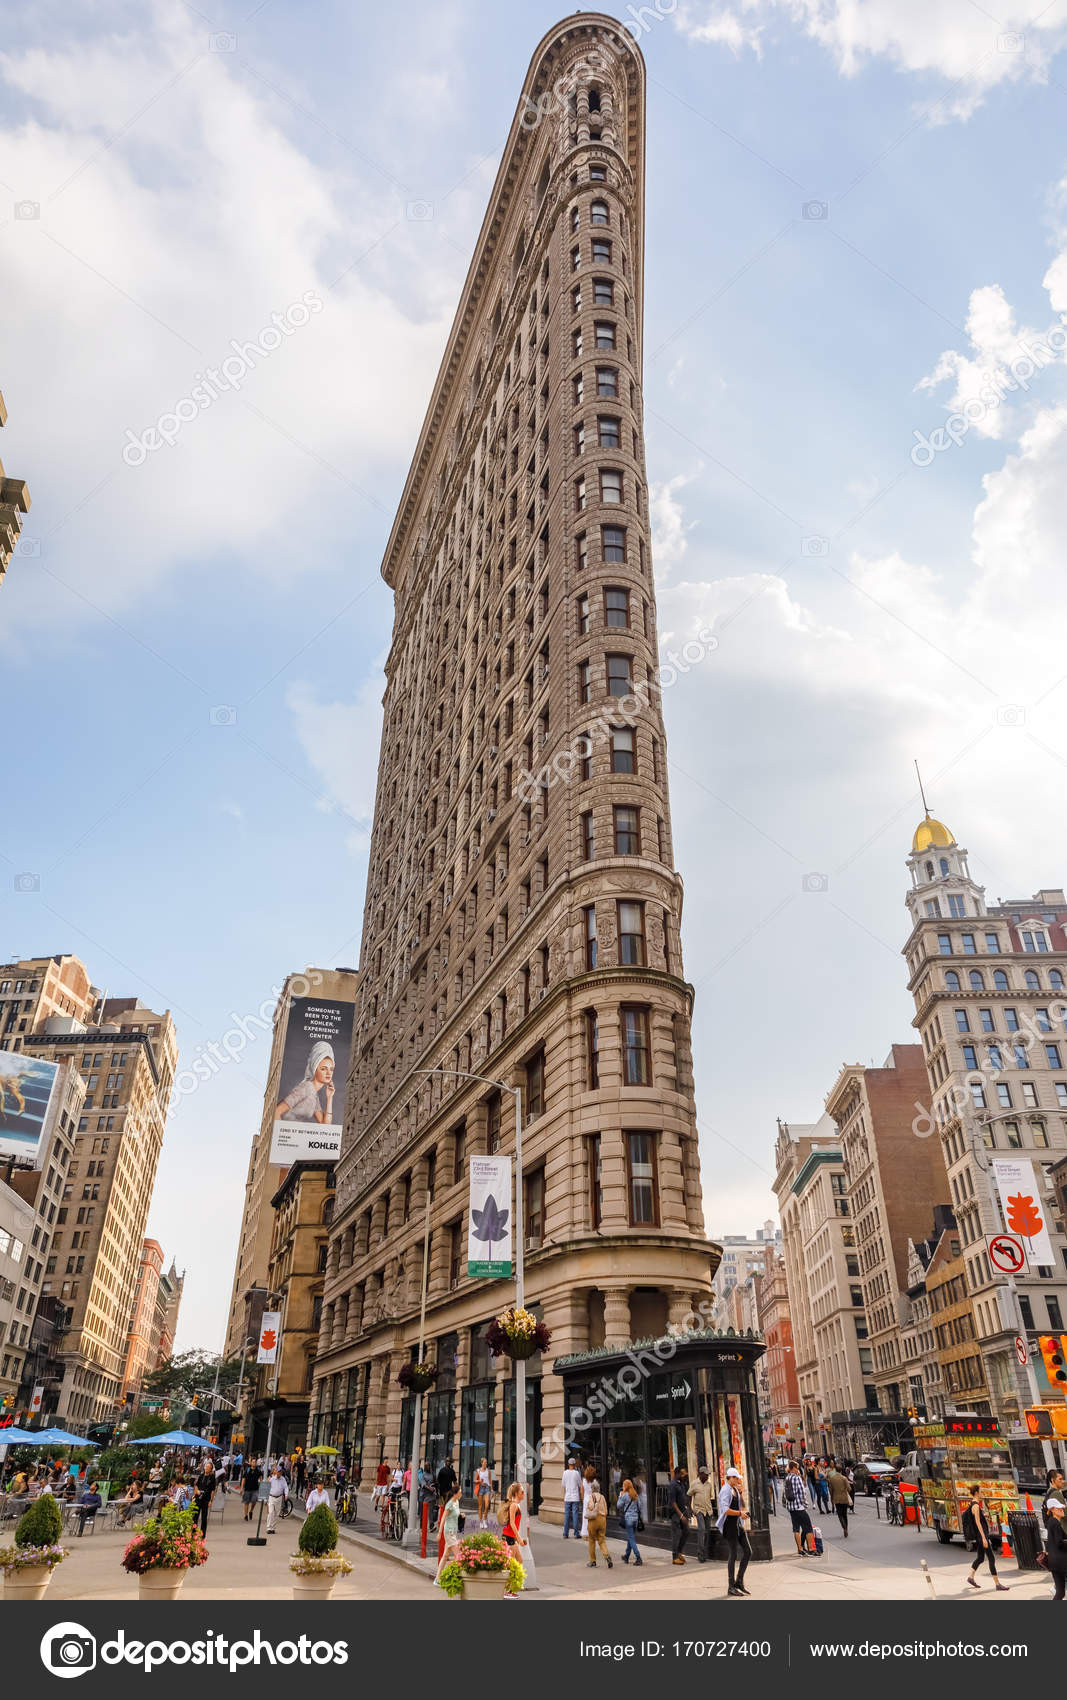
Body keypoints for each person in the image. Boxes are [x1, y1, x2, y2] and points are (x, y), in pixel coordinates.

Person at [275, 1040, 336, 1126]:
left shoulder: (314, 1094)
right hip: (287, 1135)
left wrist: (330, 1098)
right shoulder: (306, 1087)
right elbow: (277, 1111)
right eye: (323, 1069)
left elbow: (325, 1125)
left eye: (331, 1069)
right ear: (314, 1069)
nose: (328, 1073)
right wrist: (281, 1135)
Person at [963, 1485, 1008, 1591]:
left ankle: (971, 1577)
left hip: (980, 1536)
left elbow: (977, 1519)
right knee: (991, 1558)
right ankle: (997, 1584)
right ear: (977, 1493)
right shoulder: (976, 1506)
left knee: (980, 1558)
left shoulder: (973, 1504)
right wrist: (984, 1538)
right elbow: (978, 1523)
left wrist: (984, 1516)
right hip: (981, 1536)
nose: (982, 1493)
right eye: (981, 1492)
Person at [718, 1466, 752, 1597]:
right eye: (736, 1478)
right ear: (730, 1478)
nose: (738, 1480)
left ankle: (739, 1581)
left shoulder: (734, 1489)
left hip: (737, 1524)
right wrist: (739, 1513)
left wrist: (741, 1493)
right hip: (729, 1525)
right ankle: (730, 1586)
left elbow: (742, 1505)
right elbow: (725, 1510)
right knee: (733, 1554)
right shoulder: (725, 1490)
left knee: (748, 1551)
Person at [783, 1460, 814, 1556]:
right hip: (799, 1507)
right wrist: (805, 1504)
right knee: (808, 1528)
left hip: (791, 1508)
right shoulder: (797, 1478)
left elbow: (785, 1494)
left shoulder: (787, 1478)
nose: (798, 1469)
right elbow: (802, 1493)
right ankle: (811, 1549)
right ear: (793, 1468)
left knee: (796, 1529)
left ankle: (800, 1549)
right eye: (797, 1467)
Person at [434, 1486, 463, 1587]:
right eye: (460, 1492)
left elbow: (455, 1515)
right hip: (449, 1533)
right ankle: (457, 1578)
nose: (461, 1494)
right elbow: (443, 1519)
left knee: (445, 1556)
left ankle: (437, 1579)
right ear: (455, 1494)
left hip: (454, 1532)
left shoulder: (456, 1502)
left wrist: (461, 1515)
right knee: (458, 1556)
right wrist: (439, 1533)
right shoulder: (449, 1504)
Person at [584, 1478, 613, 1568]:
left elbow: (591, 1507)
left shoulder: (591, 1497)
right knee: (601, 1540)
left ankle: (593, 1561)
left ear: (592, 1488)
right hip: (602, 1520)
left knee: (592, 1540)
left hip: (593, 1520)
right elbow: (606, 1510)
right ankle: (606, 1555)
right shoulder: (602, 1497)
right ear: (599, 1488)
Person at [690, 1467, 717, 1563]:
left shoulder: (709, 1485)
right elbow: (688, 1495)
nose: (707, 1476)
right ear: (701, 1474)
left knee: (707, 1532)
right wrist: (690, 1509)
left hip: (708, 1511)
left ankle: (705, 1553)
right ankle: (700, 1554)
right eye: (706, 1474)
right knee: (701, 1529)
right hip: (699, 1510)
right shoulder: (694, 1484)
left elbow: (710, 1498)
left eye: (708, 1475)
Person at [501, 1481, 528, 1571]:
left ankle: (516, 1583)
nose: (524, 1494)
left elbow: (515, 1523)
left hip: (511, 1537)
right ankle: (508, 1584)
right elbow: (512, 1523)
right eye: (522, 1492)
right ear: (516, 1493)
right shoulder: (513, 1505)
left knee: (519, 1561)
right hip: (508, 1537)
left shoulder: (517, 1505)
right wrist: (519, 1538)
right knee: (510, 1565)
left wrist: (516, 1539)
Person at [1044, 1496, 1067, 1601]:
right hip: (1061, 1563)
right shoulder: (1056, 1524)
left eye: (1062, 1508)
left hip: (1054, 1562)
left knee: (1060, 1592)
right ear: (1052, 1509)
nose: (1062, 1510)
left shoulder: (1051, 1522)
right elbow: (1059, 1543)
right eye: (1059, 1509)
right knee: (1060, 1592)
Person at [667, 1464, 691, 1565]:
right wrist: (681, 1515)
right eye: (682, 1474)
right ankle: (674, 1557)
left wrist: (688, 1509)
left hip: (683, 1512)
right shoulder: (673, 1484)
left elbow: (683, 1498)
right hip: (676, 1514)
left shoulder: (681, 1484)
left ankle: (679, 1552)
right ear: (677, 1474)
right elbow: (673, 1502)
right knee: (676, 1534)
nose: (684, 1476)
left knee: (686, 1531)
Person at [617, 1479, 642, 1565]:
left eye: (623, 1486)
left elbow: (618, 1505)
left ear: (626, 1487)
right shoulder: (635, 1495)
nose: (622, 1488)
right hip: (635, 1519)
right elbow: (640, 1506)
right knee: (630, 1537)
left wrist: (620, 1496)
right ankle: (626, 1556)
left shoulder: (625, 1495)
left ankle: (638, 1557)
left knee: (631, 1538)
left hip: (628, 1519)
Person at [826, 1463, 851, 1537]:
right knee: (845, 1514)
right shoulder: (844, 1478)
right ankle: (846, 1528)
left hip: (836, 1498)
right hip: (844, 1498)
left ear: (835, 1470)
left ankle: (844, 1527)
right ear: (841, 1471)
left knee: (840, 1515)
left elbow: (830, 1490)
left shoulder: (832, 1479)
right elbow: (849, 1489)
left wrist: (832, 1497)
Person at [194, 1460, 217, 1537]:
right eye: (206, 1467)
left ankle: (203, 1534)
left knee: (204, 1517)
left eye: (208, 1467)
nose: (206, 1468)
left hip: (206, 1499)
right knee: (195, 1516)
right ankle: (193, 1532)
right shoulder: (201, 1476)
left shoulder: (212, 1478)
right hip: (198, 1497)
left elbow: (213, 1490)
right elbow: (196, 1485)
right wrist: (197, 1491)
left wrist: (211, 1500)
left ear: (211, 1469)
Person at [562, 1457, 583, 1540]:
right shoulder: (576, 1473)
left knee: (566, 1515)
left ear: (568, 1464)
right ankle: (576, 1533)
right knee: (575, 1515)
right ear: (574, 1465)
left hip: (567, 1496)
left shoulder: (565, 1473)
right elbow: (579, 1484)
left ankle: (565, 1533)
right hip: (575, 1497)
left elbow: (563, 1484)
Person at [266, 1463, 288, 1534]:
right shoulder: (272, 1479)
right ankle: (269, 1527)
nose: (279, 1473)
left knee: (276, 1513)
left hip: (279, 1497)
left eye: (280, 1472)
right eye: (278, 1472)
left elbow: (286, 1487)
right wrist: (266, 1498)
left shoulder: (283, 1479)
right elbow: (267, 1487)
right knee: (271, 1512)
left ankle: (273, 1528)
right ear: (276, 1472)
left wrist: (286, 1495)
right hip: (271, 1497)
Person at [241, 1456, 262, 1522]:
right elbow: (243, 1479)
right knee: (246, 1502)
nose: (254, 1463)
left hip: (255, 1489)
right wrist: (242, 1488)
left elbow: (261, 1478)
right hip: (247, 1488)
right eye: (253, 1462)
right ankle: (246, 1515)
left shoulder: (258, 1470)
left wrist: (261, 1486)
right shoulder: (247, 1470)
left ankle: (251, 1511)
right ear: (250, 1463)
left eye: (255, 1462)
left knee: (254, 1501)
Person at [475, 1458, 492, 1529]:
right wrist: (479, 1481)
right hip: (480, 1488)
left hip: (487, 1488)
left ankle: (485, 1519)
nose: (485, 1464)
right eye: (484, 1462)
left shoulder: (489, 1471)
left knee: (487, 1505)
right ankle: (481, 1521)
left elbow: (490, 1480)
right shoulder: (478, 1471)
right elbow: (475, 1480)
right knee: (480, 1506)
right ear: (481, 1463)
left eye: (486, 1462)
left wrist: (492, 1488)